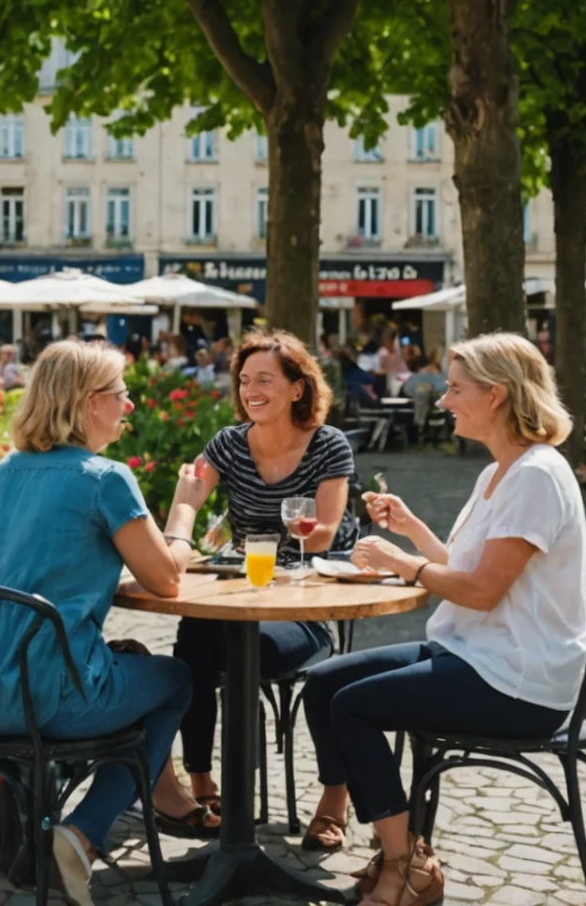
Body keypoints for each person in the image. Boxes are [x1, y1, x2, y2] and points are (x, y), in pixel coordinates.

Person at [300, 334, 586, 906]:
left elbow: (480, 591)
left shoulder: (535, 475)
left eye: (455, 389)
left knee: (351, 706)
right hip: (480, 653)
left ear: (498, 395)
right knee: (324, 682)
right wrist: (409, 529)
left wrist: (402, 563)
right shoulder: (499, 474)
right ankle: (398, 844)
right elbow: (462, 569)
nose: (443, 400)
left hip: (518, 679)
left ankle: (406, 863)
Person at [0, 340, 213, 898]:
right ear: (89, 403)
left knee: (130, 659)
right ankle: (83, 833)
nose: (130, 406)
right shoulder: (104, 478)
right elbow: (166, 578)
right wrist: (185, 509)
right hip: (45, 695)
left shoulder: (4, 471)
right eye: (121, 394)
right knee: (177, 680)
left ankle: (60, 831)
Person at [163, 330, 357, 833]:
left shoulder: (327, 445)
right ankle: (203, 781)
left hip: (303, 610)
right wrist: (179, 526)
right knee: (195, 635)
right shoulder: (228, 444)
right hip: (242, 599)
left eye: (265, 379)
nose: (251, 389)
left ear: (297, 388)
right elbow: (189, 497)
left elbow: (325, 535)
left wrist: (256, 547)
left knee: (229, 643)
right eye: (245, 379)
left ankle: (334, 797)